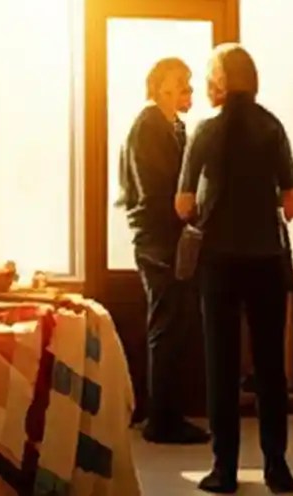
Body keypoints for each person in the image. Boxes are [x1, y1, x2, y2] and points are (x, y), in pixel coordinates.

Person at [175, 43, 293, 495]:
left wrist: (209, 204)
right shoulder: (272, 127)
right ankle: (277, 468)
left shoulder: (205, 132)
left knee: (222, 364)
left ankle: (224, 469)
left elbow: (183, 204)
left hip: (219, 262)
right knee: (270, 366)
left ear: (222, 82)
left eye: (210, 76)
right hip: (267, 260)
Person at [116, 57, 209, 445]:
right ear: (161, 88)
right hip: (158, 239)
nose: (189, 89)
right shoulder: (149, 126)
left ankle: (164, 413)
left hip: (168, 237)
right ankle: (162, 419)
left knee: (171, 323)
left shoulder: (173, 127)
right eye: (182, 83)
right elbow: (159, 188)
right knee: (166, 324)